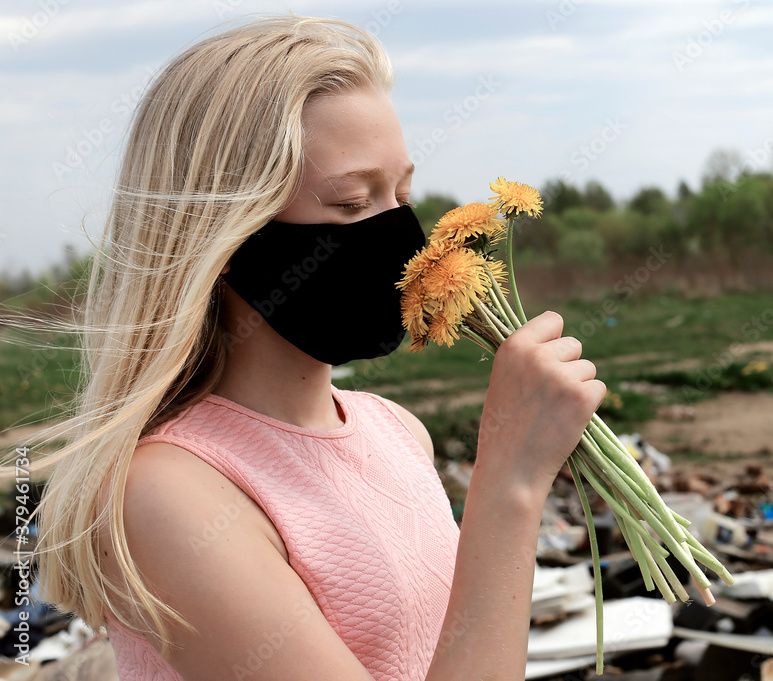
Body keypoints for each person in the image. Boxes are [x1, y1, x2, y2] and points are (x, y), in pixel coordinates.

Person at [28, 15, 605, 681]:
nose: (405, 240)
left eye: (403, 193)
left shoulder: (397, 432)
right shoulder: (168, 494)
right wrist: (512, 482)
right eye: (354, 204)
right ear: (224, 235)